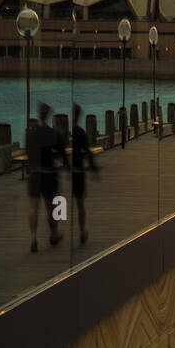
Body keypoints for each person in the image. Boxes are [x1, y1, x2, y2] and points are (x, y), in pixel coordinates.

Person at [25, 102, 67, 252]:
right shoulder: (53, 133)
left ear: (38, 114)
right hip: (49, 173)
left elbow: (29, 152)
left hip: (35, 173)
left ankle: (34, 238)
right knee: (52, 207)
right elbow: (62, 152)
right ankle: (53, 234)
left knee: (33, 208)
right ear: (48, 116)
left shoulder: (30, 132)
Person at [70, 104, 98, 245]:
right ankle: (81, 231)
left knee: (60, 201)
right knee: (80, 204)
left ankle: (55, 229)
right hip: (79, 172)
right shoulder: (80, 132)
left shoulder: (71, 132)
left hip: (70, 173)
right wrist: (93, 168)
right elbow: (87, 151)